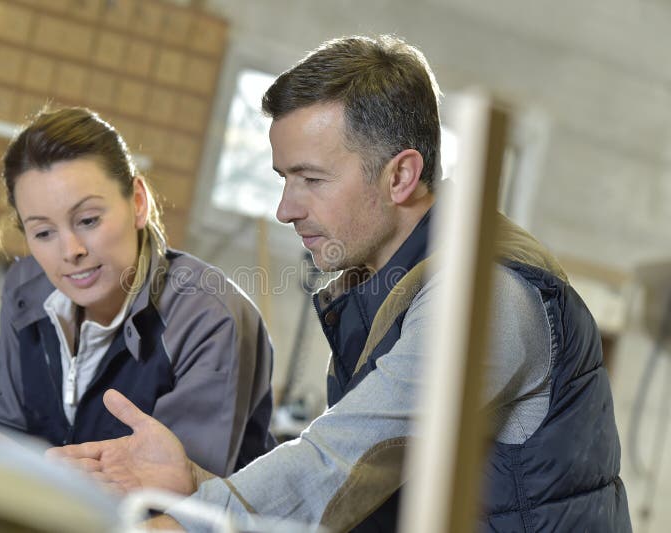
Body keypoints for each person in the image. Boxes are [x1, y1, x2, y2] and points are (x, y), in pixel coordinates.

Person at [49, 36, 631, 531]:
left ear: (401, 174)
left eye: (311, 179)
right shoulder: (391, 283)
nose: (285, 208)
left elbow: (343, 460)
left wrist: (189, 516)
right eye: (284, 178)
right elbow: (359, 490)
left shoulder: (491, 297)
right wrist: (195, 486)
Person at [0, 107, 276, 477]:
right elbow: (5, 434)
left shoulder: (208, 318)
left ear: (138, 203)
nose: (70, 251)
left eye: (88, 220)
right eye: (43, 232)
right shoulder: (27, 291)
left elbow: (175, 501)